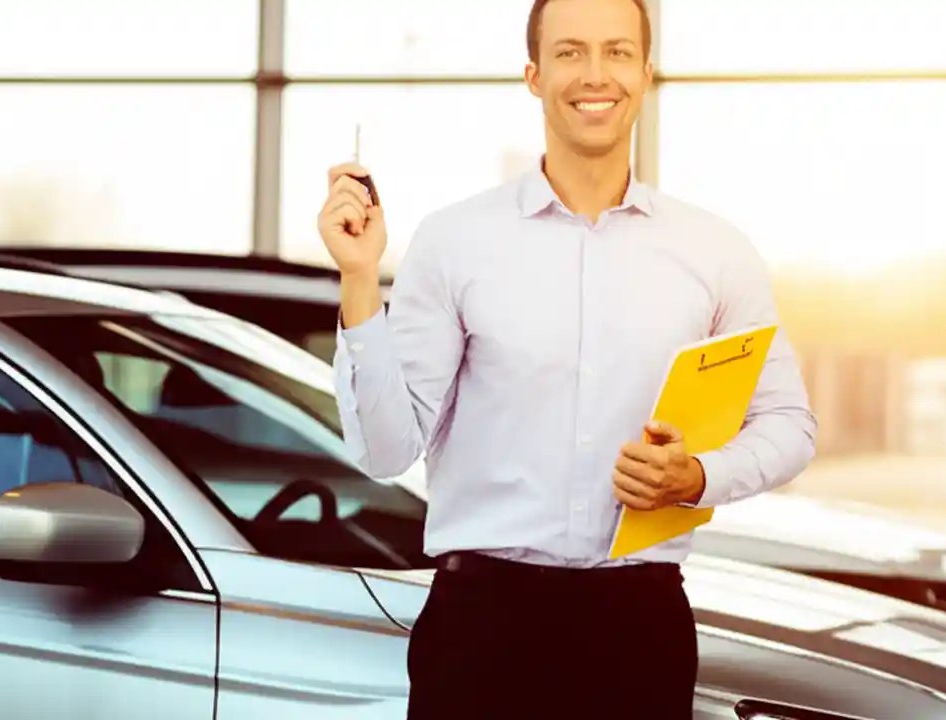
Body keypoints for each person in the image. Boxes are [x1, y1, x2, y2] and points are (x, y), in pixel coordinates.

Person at [316, 0, 816, 716]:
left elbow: (790, 426)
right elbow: (388, 449)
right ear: (533, 74)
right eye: (570, 51)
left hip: (638, 628)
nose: (594, 74)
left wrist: (698, 476)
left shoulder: (713, 251)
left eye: (617, 52)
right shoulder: (455, 241)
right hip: (481, 629)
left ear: (645, 74)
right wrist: (360, 279)